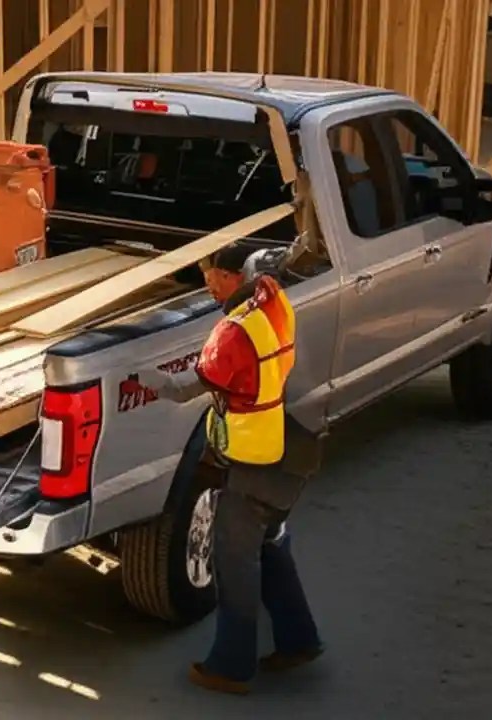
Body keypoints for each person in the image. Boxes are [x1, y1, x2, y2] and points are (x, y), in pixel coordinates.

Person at [136, 243, 324, 695]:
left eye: (214, 274)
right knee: (272, 548)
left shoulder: (233, 332)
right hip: (288, 452)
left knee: (236, 564)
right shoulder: (277, 310)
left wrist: (144, 376)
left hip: (253, 463)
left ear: (234, 278)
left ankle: (231, 667)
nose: (207, 282)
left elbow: (185, 389)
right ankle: (299, 640)